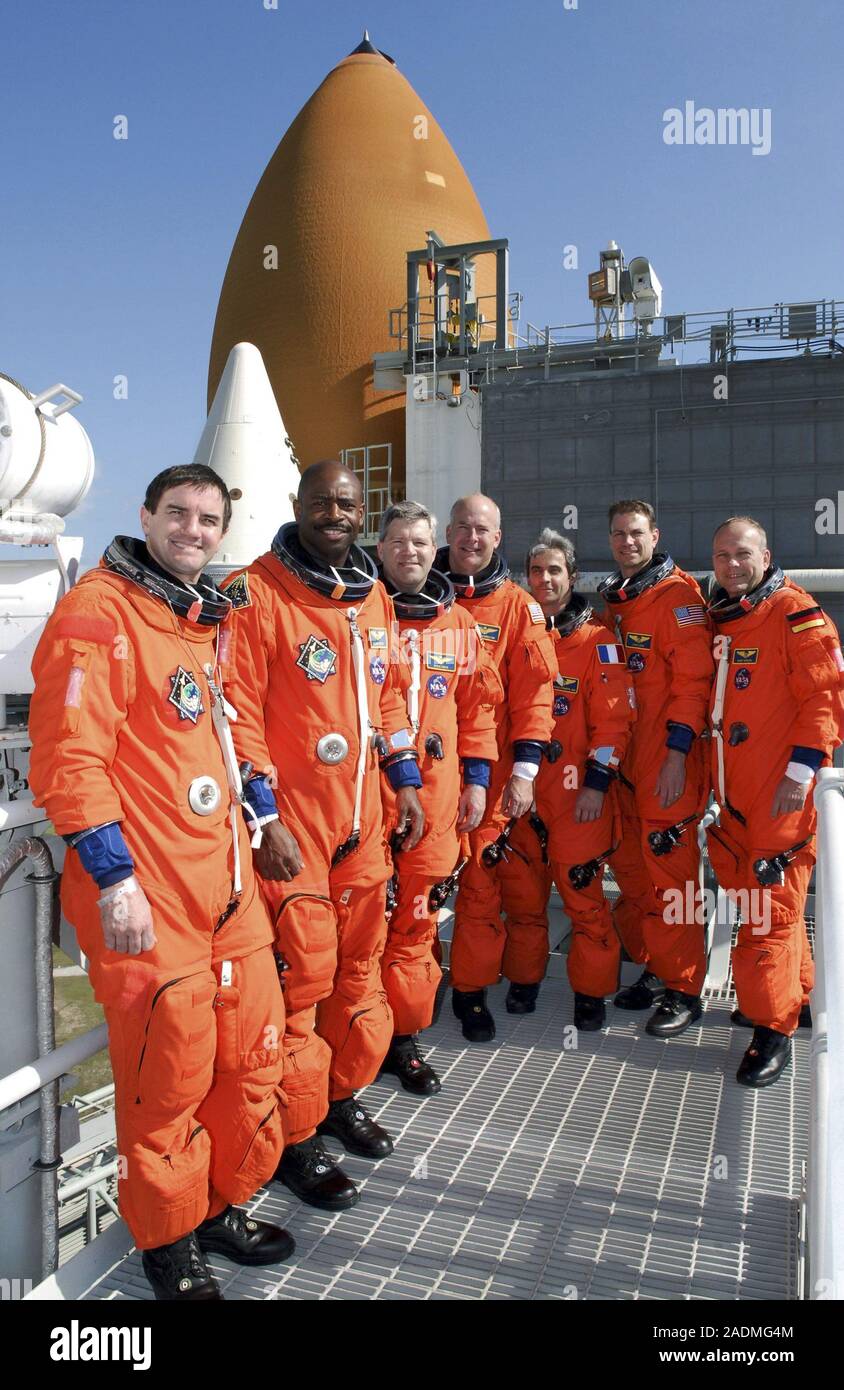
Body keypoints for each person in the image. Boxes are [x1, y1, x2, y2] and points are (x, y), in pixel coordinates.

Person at [28, 465, 291, 1302]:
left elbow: (220, 730)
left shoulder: (193, 620)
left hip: (224, 880)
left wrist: (265, 811)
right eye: (176, 514)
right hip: (150, 892)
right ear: (146, 515)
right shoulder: (98, 612)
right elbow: (69, 756)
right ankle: (170, 1244)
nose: (192, 530)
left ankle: (221, 1205)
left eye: (208, 519)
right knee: (169, 1071)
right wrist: (113, 879)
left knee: (248, 1049)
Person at [222, 462, 425, 1209]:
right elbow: (237, 711)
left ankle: (338, 1097)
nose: (334, 514)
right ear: (297, 506)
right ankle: (294, 1138)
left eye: (346, 504)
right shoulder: (256, 591)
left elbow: (392, 696)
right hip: (295, 830)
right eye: (321, 503)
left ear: (361, 511)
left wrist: (405, 779)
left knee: (359, 970)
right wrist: (264, 817)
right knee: (302, 983)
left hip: (362, 821)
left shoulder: (371, 596)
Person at [707, 517, 844, 1086]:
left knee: (770, 914)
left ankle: (772, 1030)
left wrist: (801, 770)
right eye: (721, 556)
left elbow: (827, 695)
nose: (732, 565)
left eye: (742, 555)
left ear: (767, 556)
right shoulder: (728, 619)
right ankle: (796, 996)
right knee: (763, 908)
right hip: (735, 794)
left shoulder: (795, 614)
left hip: (779, 796)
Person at [376, 501, 501, 1092]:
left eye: (421, 543)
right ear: (381, 549)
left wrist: (477, 781)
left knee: (416, 926)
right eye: (399, 541)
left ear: (437, 550)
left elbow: (478, 709)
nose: (410, 552)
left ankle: (403, 1039)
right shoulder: (360, 617)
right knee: (359, 930)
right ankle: (354, 1047)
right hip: (369, 801)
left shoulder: (459, 626)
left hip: (439, 804)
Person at [497, 531, 635, 1028]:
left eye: (555, 570)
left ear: (572, 577)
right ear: (525, 578)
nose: (545, 580)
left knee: (583, 897)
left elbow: (615, 723)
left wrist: (598, 786)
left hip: (577, 792)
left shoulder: (598, 641)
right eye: (536, 571)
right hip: (519, 789)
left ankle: (592, 990)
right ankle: (524, 978)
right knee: (523, 897)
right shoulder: (516, 635)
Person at [436, 494, 557, 1041]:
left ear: (497, 538)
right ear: (446, 531)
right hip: (420, 778)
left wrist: (526, 772)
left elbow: (536, 695)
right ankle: (399, 1007)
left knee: (483, 888)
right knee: (419, 893)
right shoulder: (409, 597)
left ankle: (470, 991)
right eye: (461, 527)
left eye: (481, 529)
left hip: (493, 776)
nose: (470, 538)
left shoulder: (516, 607)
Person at [598, 501, 714, 1038]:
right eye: (619, 534)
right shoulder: (617, 601)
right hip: (627, 763)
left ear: (654, 536)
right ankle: (658, 966)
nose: (627, 542)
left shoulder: (679, 599)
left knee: (672, 879)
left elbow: (693, 685)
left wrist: (674, 757)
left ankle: (685, 988)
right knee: (638, 878)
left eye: (636, 533)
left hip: (668, 763)